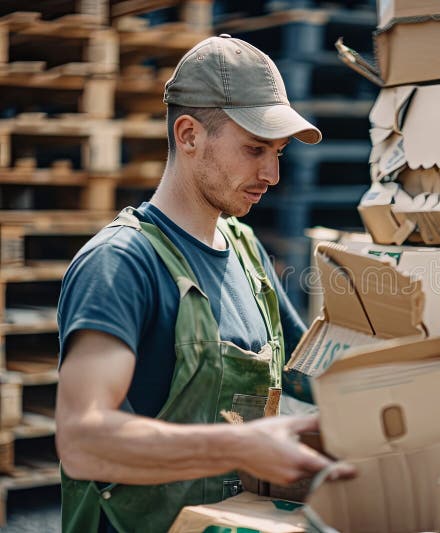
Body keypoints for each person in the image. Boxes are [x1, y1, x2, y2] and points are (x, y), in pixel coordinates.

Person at [55, 34, 353, 533]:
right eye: (254, 148)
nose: (272, 173)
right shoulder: (121, 264)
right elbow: (81, 442)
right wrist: (242, 447)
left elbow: (313, 372)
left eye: (278, 152)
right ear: (189, 134)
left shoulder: (246, 249)